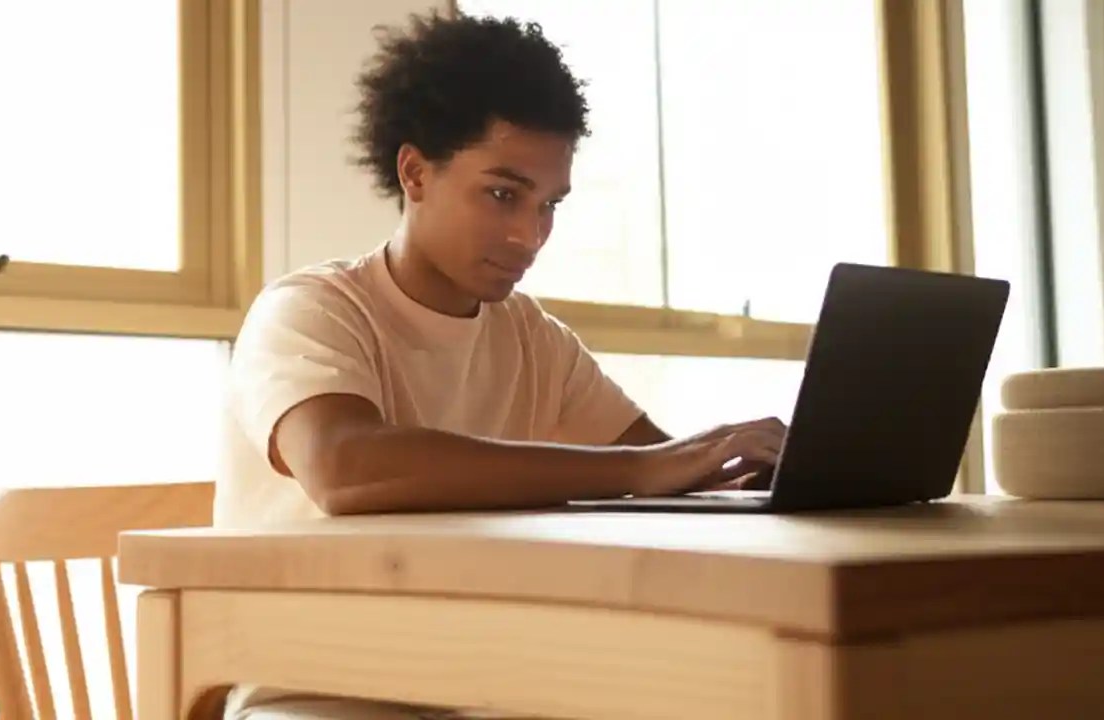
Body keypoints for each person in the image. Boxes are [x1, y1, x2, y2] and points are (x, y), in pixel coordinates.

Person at [217, 11, 786, 719]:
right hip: (310, 684)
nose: (530, 235)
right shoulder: (310, 310)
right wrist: (643, 473)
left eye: (549, 205)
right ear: (415, 172)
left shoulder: (532, 338)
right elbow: (343, 468)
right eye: (502, 194)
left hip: (479, 677)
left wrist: (746, 474)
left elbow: (666, 472)